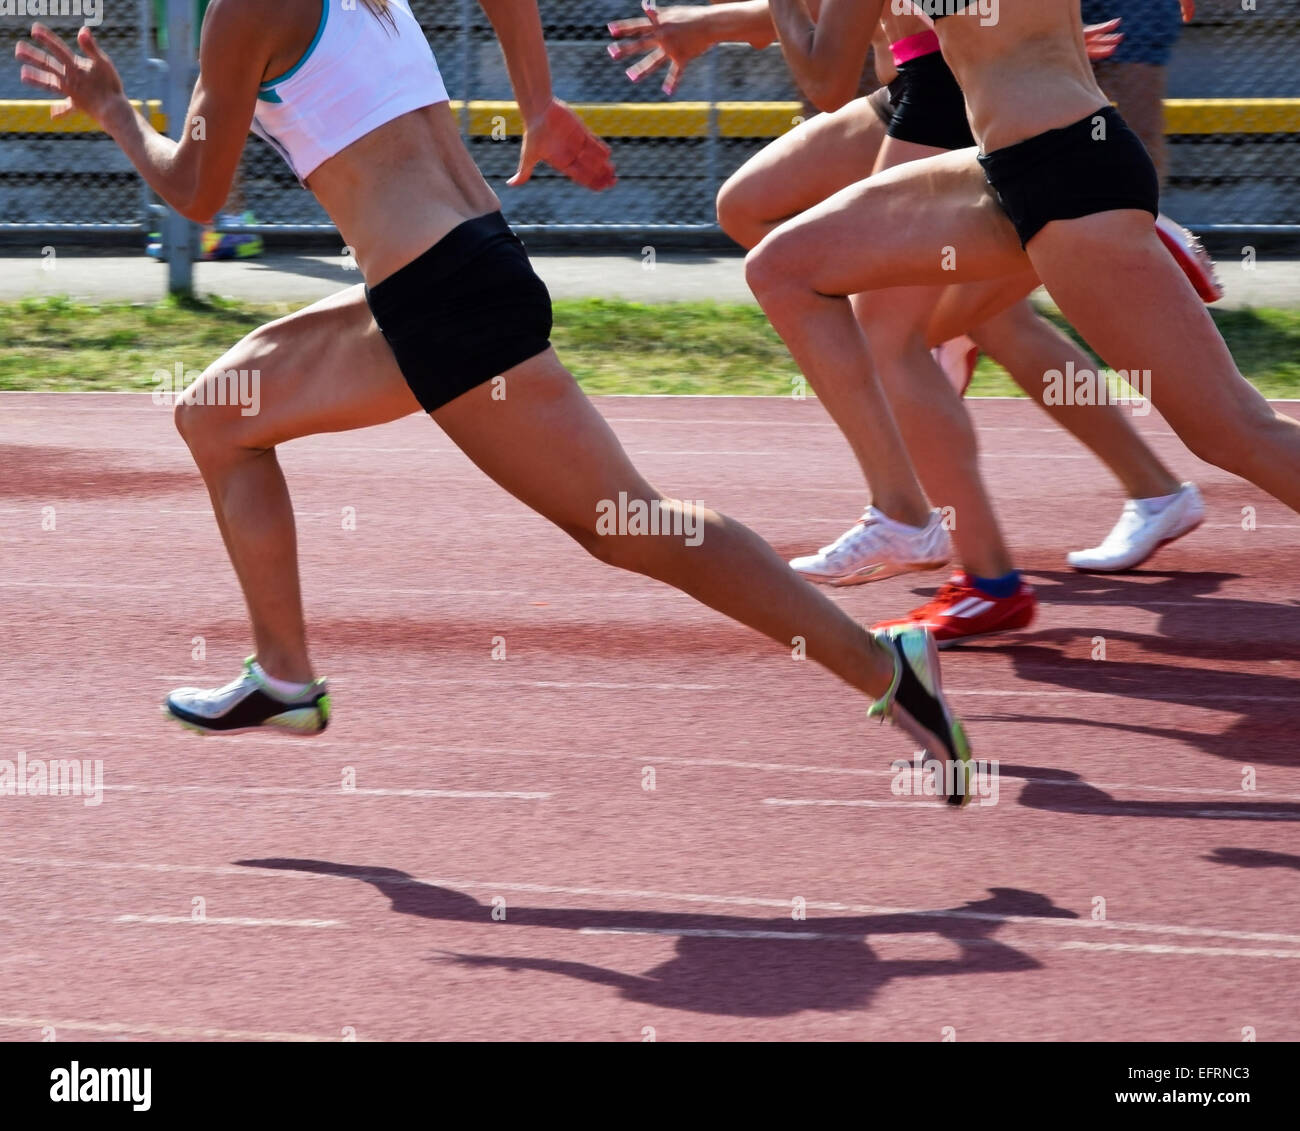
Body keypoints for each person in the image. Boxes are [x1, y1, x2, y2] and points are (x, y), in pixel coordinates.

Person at [15, 0, 976, 802]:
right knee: (216, 412)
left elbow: (196, 192)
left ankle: (884, 667)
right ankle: (285, 678)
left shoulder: (243, 10)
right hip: (450, 271)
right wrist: (537, 101)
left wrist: (111, 111)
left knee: (630, 523)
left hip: (445, 301)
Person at [612, 2, 1205, 646]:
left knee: (891, 334)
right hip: (917, 80)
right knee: (754, 209)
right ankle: (1142, 484)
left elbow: (824, 74)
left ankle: (929, 528)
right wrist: (707, 26)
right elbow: (833, 16)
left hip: (947, 86)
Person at [734, 0, 1300, 578]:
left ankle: (1124, 239)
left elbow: (825, 80)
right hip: (1008, 168)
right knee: (787, 270)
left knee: (1229, 430)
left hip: (1068, 178)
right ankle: (904, 513)